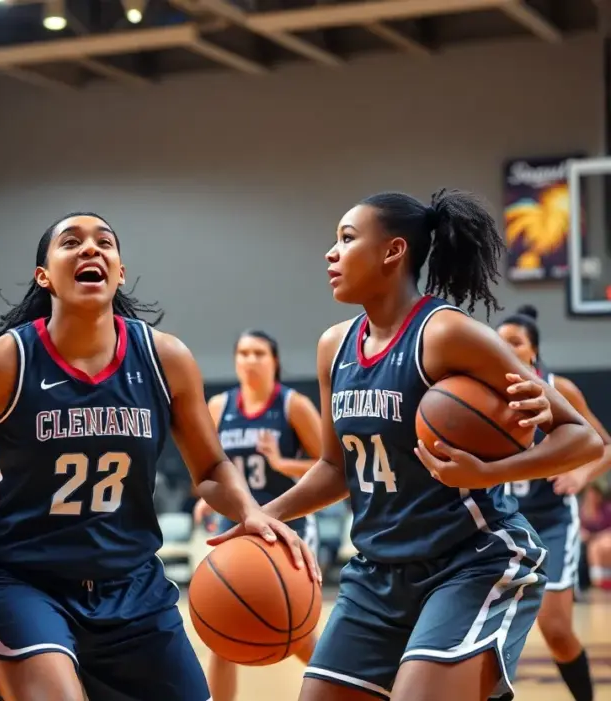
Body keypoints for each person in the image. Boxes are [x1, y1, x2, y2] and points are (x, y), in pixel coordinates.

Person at [0, 212, 319, 701]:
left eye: (104, 241)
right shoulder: (3, 361)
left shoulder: (166, 359)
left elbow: (209, 470)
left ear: (119, 272)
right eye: (70, 241)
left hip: (132, 584)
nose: (90, 247)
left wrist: (252, 512)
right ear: (44, 276)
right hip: (23, 581)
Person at [213, 190, 604, 701]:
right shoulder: (335, 346)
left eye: (347, 239)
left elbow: (584, 438)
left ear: (393, 252)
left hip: (471, 559)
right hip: (377, 570)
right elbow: (336, 468)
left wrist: (490, 472)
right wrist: (267, 514)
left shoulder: (446, 334)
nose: (331, 253)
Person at [193, 329, 323, 700]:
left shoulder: (293, 405)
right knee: (221, 624)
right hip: (236, 524)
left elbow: (327, 465)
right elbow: (209, 466)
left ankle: (344, 684)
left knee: (291, 626)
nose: (250, 359)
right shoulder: (219, 406)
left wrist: (282, 463)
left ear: (274, 361)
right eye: (244, 353)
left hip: (289, 522)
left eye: (259, 353)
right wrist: (207, 498)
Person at [496, 305, 611, 701]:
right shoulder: (480, 392)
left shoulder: (560, 389)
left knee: (557, 632)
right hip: (503, 523)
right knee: (488, 631)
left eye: (515, 342)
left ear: (534, 351)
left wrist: (580, 475)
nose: (505, 348)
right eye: (499, 342)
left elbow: (604, 446)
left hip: (551, 520)